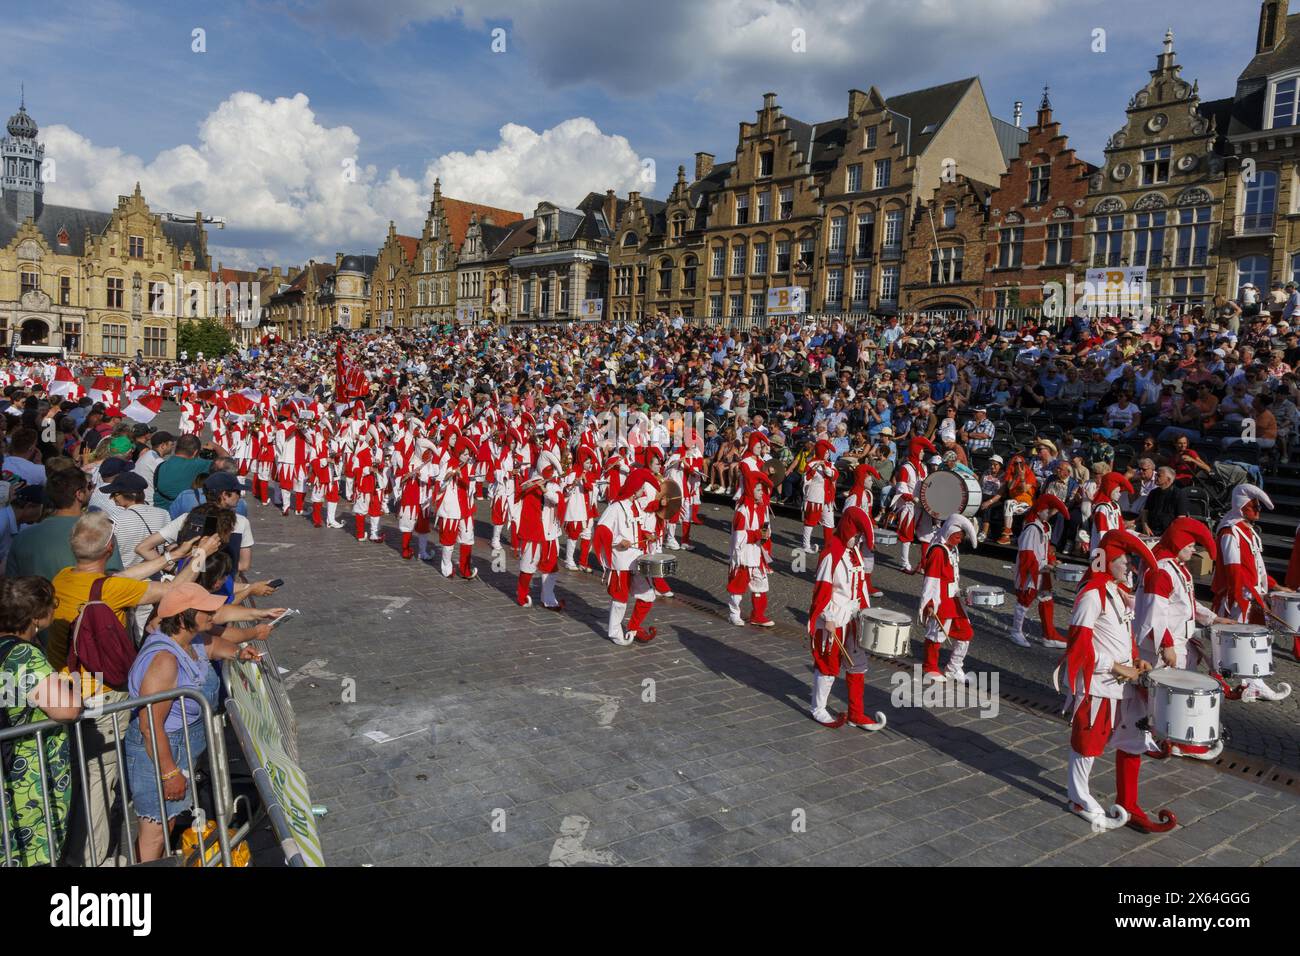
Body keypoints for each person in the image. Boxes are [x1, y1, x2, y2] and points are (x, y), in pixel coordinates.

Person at [52, 512, 217, 867]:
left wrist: (173, 556)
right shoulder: (112, 589)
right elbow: (175, 595)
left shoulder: (64, 578)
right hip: (101, 696)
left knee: (87, 774)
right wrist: (200, 556)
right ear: (110, 547)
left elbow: (122, 577)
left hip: (64, 688)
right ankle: (90, 860)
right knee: (98, 780)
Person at [125, 583, 264, 862]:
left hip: (182, 747)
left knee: (169, 822)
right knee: (156, 830)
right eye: (205, 609)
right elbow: (150, 725)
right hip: (160, 752)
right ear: (182, 617)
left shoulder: (192, 641)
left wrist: (239, 652)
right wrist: (169, 773)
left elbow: (217, 647)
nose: (213, 612)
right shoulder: (164, 659)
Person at [1062, 529, 1175, 834]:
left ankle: (1130, 802)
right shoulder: (1091, 594)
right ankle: (1078, 797)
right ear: (1109, 559)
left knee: (1133, 740)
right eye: (1124, 559)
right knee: (1088, 741)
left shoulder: (1115, 590)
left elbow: (1124, 636)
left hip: (1123, 685)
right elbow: (1077, 646)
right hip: (1099, 685)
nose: (1129, 565)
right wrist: (1113, 666)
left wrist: (1135, 659)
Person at [1133, 517, 1232, 760]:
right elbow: (1156, 611)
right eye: (1190, 545)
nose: (1194, 549)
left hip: (1179, 641)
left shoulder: (1177, 568)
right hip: (1166, 644)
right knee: (1158, 696)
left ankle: (1175, 741)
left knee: (1173, 696)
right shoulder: (1163, 571)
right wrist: (1166, 645)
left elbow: (1187, 604)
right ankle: (1151, 739)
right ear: (1178, 544)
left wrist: (1213, 618)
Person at [0, 576, 82, 866]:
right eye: (53, 605)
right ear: (35, 616)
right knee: (31, 852)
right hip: (25, 776)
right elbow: (66, 710)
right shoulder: (22, 654)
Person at [1210, 484, 1293, 702]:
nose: (1258, 510)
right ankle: (1226, 682)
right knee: (1234, 643)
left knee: (1251, 641)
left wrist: (1274, 586)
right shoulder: (1230, 531)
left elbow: (1256, 566)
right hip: (1238, 597)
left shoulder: (1247, 530)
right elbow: (1234, 570)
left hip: (1250, 595)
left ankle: (1252, 682)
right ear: (1242, 506)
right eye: (1254, 506)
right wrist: (1247, 598)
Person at [807, 507, 886, 731]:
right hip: (834, 618)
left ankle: (856, 713)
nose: (858, 539)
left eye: (861, 536)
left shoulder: (856, 554)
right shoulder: (831, 553)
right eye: (856, 534)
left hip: (854, 618)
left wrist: (868, 614)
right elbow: (821, 591)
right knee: (828, 664)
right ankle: (818, 708)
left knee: (858, 665)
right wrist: (827, 617)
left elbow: (860, 588)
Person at [5, 468, 125, 580]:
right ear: (79, 494)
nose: (91, 490)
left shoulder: (22, 538)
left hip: (35, 601)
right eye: (88, 486)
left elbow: (11, 584)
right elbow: (114, 577)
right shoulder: (100, 532)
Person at [593, 468, 662, 645]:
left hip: (636, 558)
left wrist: (646, 534)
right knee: (620, 597)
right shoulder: (615, 507)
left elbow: (636, 530)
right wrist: (617, 541)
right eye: (641, 487)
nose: (644, 491)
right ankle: (615, 632)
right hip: (622, 561)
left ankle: (633, 627)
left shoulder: (636, 506)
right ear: (635, 487)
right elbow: (601, 529)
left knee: (647, 595)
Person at [918, 514, 978, 684]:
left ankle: (953, 668)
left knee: (966, 633)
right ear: (950, 532)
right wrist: (929, 603)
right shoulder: (938, 551)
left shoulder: (951, 549)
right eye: (957, 537)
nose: (959, 541)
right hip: (940, 600)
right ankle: (929, 668)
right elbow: (931, 580)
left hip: (953, 599)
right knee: (935, 635)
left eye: (961, 538)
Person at [727, 432, 775, 627]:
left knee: (760, 582)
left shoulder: (761, 507)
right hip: (745, 553)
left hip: (757, 550)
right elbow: (739, 537)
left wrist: (766, 536)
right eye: (758, 490)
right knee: (739, 582)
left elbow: (764, 529)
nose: (761, 493)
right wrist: (757, 535)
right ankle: (734, 613)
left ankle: (758, 615)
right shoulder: (743, 511)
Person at [1010, 494, 1069, 649]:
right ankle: (1016, 631)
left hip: (1042, 570)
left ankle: (1049, 635)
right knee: (1024, 600)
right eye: (1048, 511)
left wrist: (1051, 561)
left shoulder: (1043, 526)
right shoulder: (1032, 527)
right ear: (1040, 510)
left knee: (1047, 599)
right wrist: (1040, 567)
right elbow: (1027, 553)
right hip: (1032, 572)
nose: (1050, 514)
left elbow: (1045, 549)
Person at [890, 436, 936, 572]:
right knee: (907, 535)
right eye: (921, 451)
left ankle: (924, 563)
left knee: (927, 535)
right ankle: (904, 563)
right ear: (915, 451)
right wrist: (912, 498)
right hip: (908, 506)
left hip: (922, 505)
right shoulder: (905, 468)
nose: (923, 453)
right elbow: (901, 489)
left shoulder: (924, 467)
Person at [152, 433, 210, 510]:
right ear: (195, 453)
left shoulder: (161, 465)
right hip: (180, 517)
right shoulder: (197, 465)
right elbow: (228, 463)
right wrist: (215, 446)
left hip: (159, 514)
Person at [800, 439, 838, 553]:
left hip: (828, 499)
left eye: (828, 453)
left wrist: (825, 467)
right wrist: (814, 469)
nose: (827, 455)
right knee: (810, 521)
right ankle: (805, 545)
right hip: (814, 497)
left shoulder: (830, 465)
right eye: (826, 452)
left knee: (829, 523)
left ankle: (828, 546)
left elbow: (834, 476)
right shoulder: (811, 463)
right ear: (821, 452)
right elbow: (805, 479)